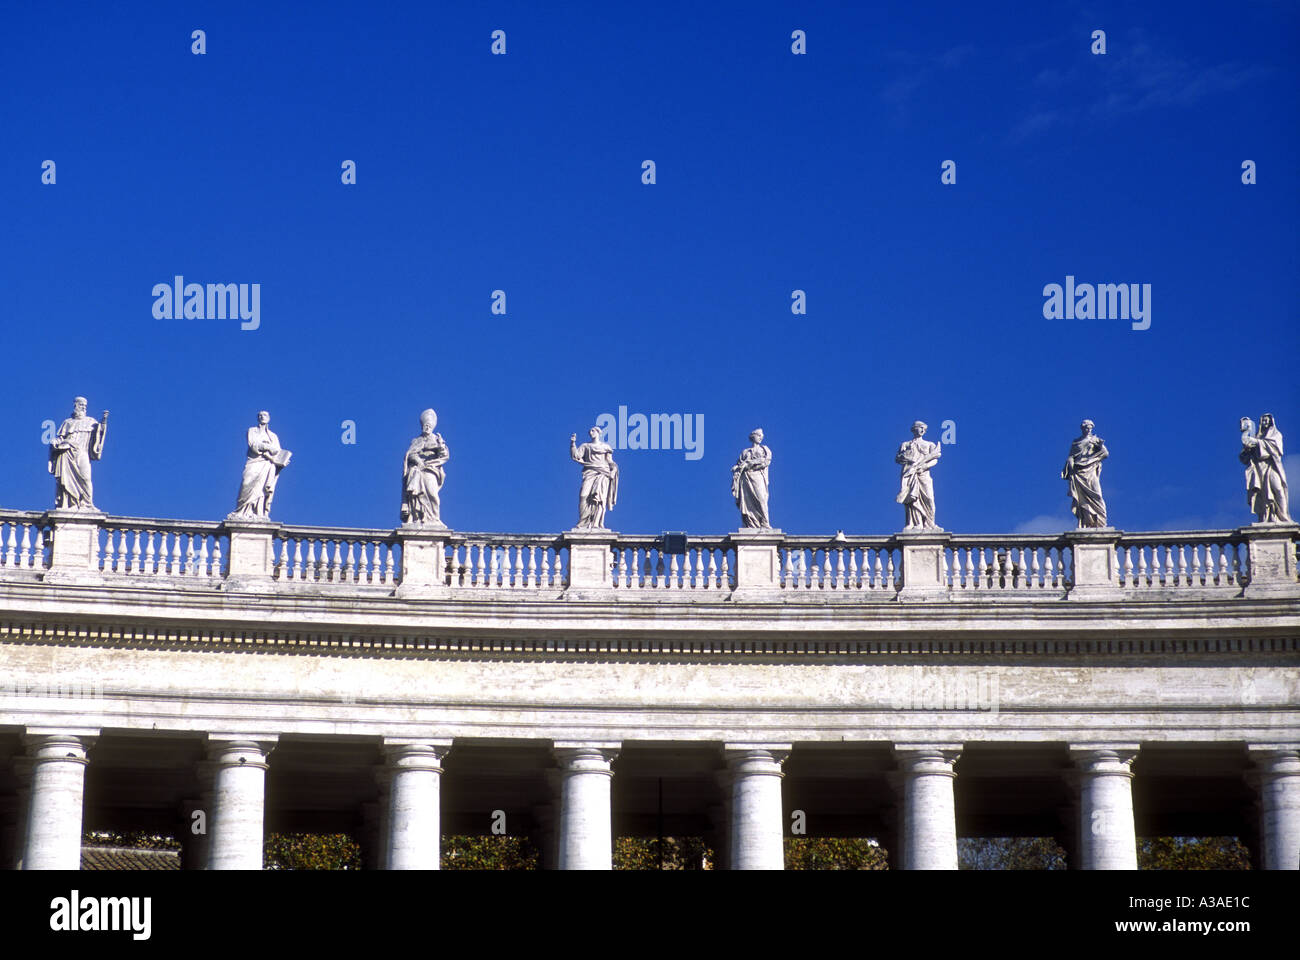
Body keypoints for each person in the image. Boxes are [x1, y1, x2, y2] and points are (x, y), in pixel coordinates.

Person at [49, 396, 108, 509]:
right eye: (80, 405)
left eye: (85, 406)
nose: (83, 408)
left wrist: (104, 422)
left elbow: (99, 433)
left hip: (82, 453)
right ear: (75, 406)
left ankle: (87, 504)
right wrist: (55, 442)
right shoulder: (67, 422)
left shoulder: (91, 422)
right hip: (67, 454)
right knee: (65, 480)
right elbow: (60, 438)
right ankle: (69, 504)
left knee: (86, 478)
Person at [231, 411, 290, 519]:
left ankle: (259, 513)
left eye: (265, 415)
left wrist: (282, 461)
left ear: (269, 418)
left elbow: (277, 451)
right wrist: (268, 447)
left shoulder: (273, 436)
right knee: (246, 482)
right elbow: (253, 445)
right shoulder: (252, 431)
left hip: (267, 465)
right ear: (258, 418)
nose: (263, 417)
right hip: (254, 462)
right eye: (260, 415)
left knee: (262, 489)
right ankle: (242, 512)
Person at [401, 409, 450, 526]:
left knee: (432, 494)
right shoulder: (416, 440)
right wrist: (417, 460)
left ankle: (433, 518)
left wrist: (441, 447)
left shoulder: (437, 439)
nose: (427, 427)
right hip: (417, 470)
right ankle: (417, 517)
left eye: (429, 425)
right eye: (425, 425)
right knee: (416, 494)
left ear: (432, 426)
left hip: (431, 470)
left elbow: (444, 456)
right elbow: (410, 454)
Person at [1240, 413, 1290, 523]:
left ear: (1271, 422)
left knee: (1278, 489)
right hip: (1259, 469)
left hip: (1272, 467)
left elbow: (1275, 448)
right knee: (1262, 495)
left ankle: (1283, 517)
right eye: (1263, 420)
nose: (1265, 422)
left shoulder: (1276, 435)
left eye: (1267, 420)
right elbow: (1245, 457)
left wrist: (1257, 442)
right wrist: (1248, 448)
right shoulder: (1256, 437)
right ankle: (1266, 517)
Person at [1061, 419, 1109, 528]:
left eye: (1089, 427)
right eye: (1086, 427)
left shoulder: (1095, 440)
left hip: (1090, 470)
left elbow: (1105, 453)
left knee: (1097, 495)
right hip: (1078, 472)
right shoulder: (1076, 442)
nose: (1088, 429)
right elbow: (1071, 456)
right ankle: (1086, 522)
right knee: (1081, 499)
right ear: (1082, 428)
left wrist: (1100, 446)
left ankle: (1100, 522)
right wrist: (1070, 462)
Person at [895, 420, 941, 530]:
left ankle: (930, 524)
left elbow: (935, 460)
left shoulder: (930, 444)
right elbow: (897, 458)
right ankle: (915, 524)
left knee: (929, 498)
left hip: (923, 474)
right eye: (920, 427)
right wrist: (907, 459)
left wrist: (924, 467)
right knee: (912, 498)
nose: (922, 430)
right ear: (913, 429)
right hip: (909, 473)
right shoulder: (905, 444)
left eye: (924, 429)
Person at [570, 426, 618, 529]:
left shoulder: (605, 447)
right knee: (584, 496)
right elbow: (576, 456)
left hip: (603, 473)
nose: (590, 432)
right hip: (589, 473)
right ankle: (583, 522)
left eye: (593, 430)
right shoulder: (585, 446)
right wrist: (573, 444)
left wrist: (613, 469)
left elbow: (610, 461)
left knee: (599, 499)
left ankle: (596, 523)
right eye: (590, 431)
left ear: (598, 433)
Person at [732, 428, 772, 528]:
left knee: (761, 498)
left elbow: (766, 461)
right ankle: (751, 523)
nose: (761, 437)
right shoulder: (745, 452)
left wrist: (750, 464)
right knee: (747, 501)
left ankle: (764, 522)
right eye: (758, 435)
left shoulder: (765, 449)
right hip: (746, 478)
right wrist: (737, 468)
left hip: (758, 476)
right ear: (753, 436)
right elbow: (739, 464)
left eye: (761, 436)